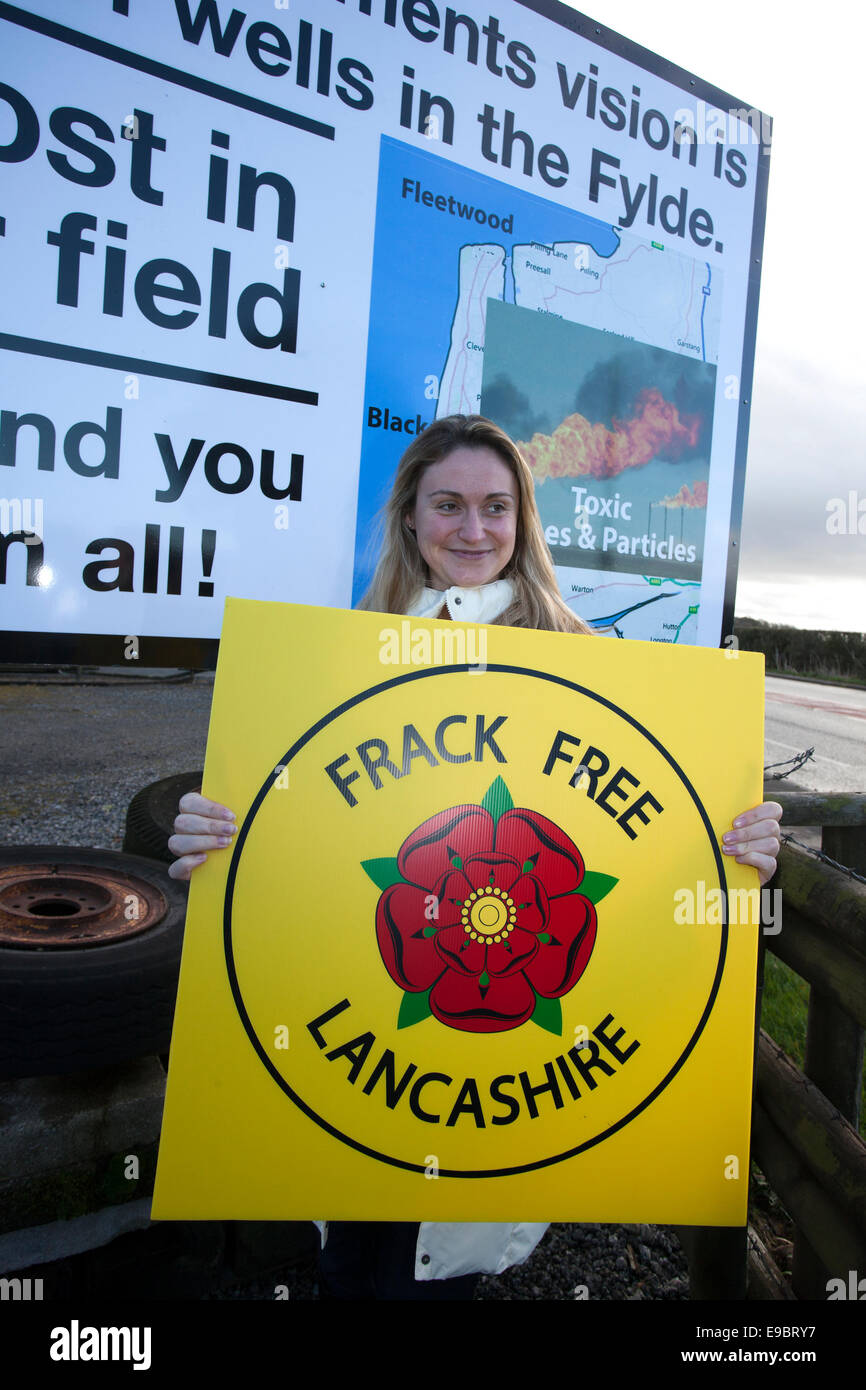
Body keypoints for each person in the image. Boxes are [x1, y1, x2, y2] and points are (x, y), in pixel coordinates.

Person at [168, 414, 782, 1299]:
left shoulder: (588, 665)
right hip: (359, 1038)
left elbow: (651, 851)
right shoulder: (336, 658)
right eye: (447, 504)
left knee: (436, 1271)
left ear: (522, 522)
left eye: (496, 507)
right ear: (411, 517)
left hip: (497, 1070)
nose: (472, 529)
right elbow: (303, 848)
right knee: (351, 1260)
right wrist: (217, 837)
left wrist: (739, 851)